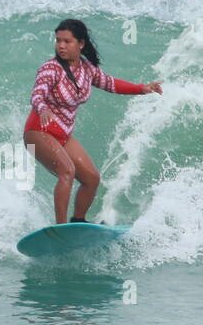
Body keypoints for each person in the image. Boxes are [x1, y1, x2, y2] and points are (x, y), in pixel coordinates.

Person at [23, 19, 162, 224]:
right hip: (37, 132)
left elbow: (110, 84)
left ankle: (78, 221)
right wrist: (42, 109)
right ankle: (61, 227)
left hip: (62, 134)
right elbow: (37, 94)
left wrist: (141, 88)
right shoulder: (50, 69)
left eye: (67, 41)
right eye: (58, 40)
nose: (61, 45)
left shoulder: (86, 69)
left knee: (91, 179)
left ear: (81, 44)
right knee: (67, 171)